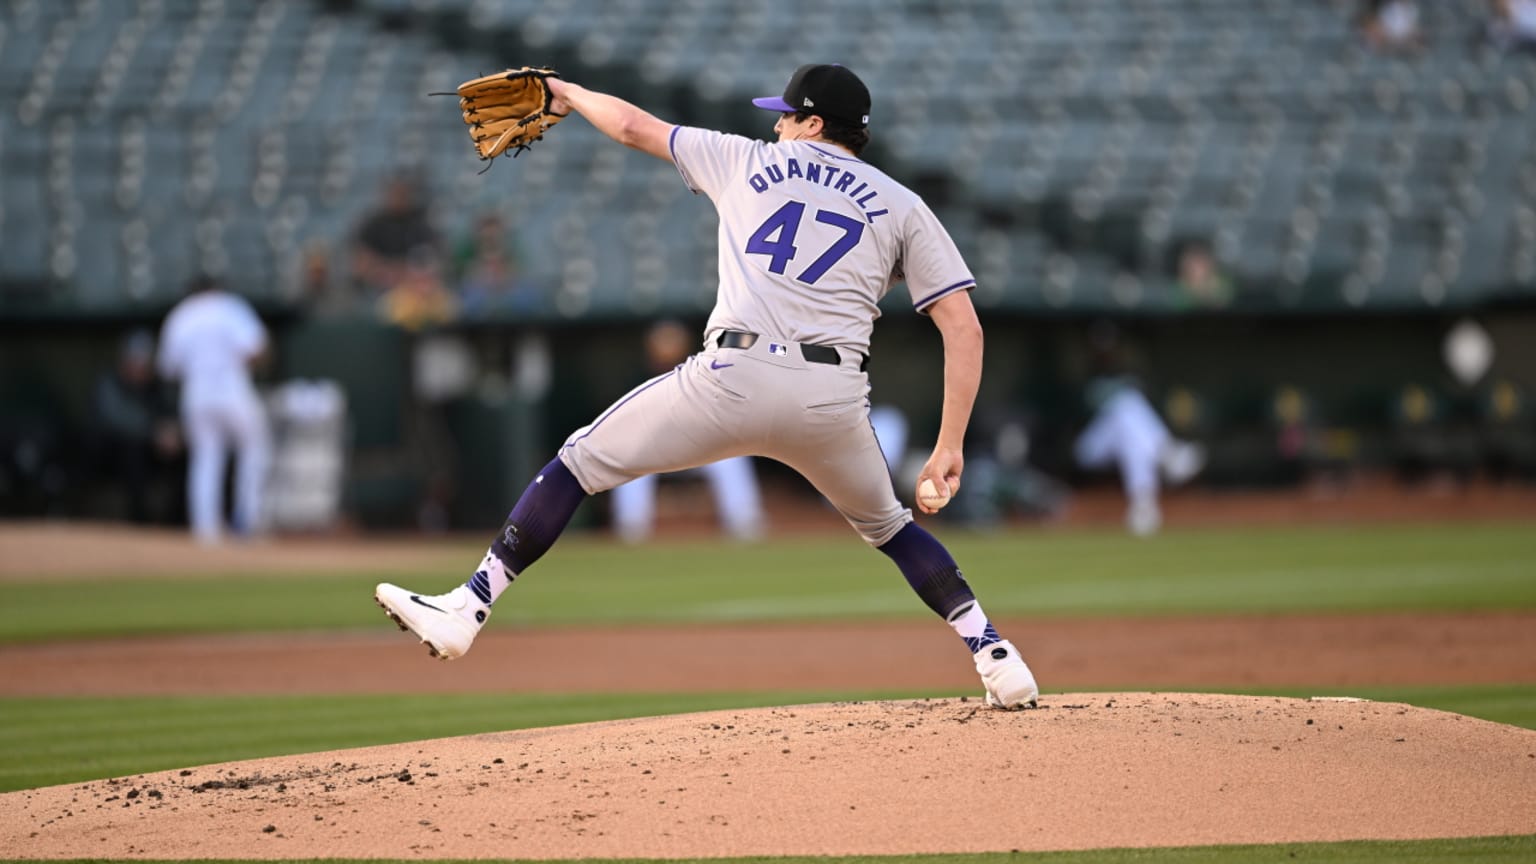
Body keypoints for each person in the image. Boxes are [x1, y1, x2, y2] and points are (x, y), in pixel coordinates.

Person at [374, 63, 1039, 709]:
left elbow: (634, 127)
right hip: (830, 399)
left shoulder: (747, 160)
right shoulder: (903, 205)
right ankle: (994, 654)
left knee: (577, 463)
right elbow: (964, 327)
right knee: (893, 528)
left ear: (811, 123)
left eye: (785, 117)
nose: (776, 127)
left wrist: (568, 92)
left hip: (733, 376)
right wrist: (949, 443)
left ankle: (469, 606)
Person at [610, 319, 766, 543]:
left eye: (673, 342)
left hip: (696, 446)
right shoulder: (638, 380)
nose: (667, 348)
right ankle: (631, 529)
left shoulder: (700, 371)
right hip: (655, 449)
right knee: (629, 456)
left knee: (731, 459)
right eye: (662, 343)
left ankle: (745, 522)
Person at [157, 275, 272, 544]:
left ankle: (205, 531)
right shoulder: (230, 306)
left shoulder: (180, 315)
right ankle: (248, 521)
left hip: (196, 394)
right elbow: (256, 349)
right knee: (255, 447)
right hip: (232, 390)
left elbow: (167, 368)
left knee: (206, 457)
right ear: (216, 289)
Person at [1074, 374, 1205, 537]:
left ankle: (1144, 505)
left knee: (1131, 437)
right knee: (1126, 408)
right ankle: (1167, 453)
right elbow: (1089, 400)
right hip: (1088, 448)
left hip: (1120, 439)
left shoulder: (1123, 377)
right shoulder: (1084, 379)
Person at [88, 330, 183, 523]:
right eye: (136, 362)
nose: (141, 368)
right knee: (132, 451)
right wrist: (154, 433)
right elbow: (116, 419)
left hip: (153, 451)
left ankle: (176, 522)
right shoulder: (109, 383)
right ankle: (139, 522)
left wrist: (174, 431)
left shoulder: (158, 386)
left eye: (145, 363)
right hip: (110, 454)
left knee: (183, 456)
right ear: (124, 362)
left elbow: (173, 411)